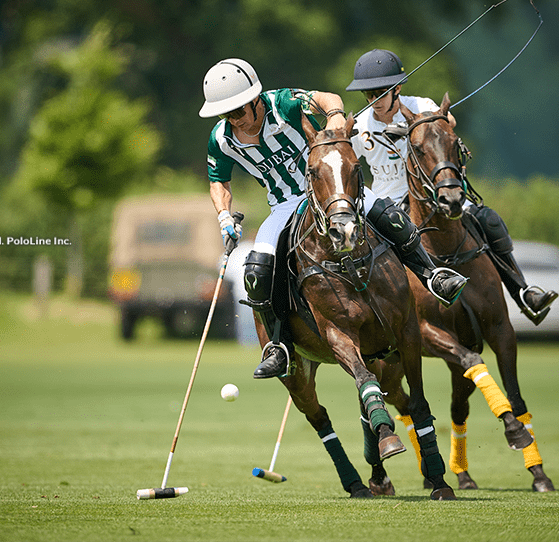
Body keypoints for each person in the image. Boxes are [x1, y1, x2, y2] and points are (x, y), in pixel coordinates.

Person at [199, 58, 469, 379]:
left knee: (390, 216)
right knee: (257, 272)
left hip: (332, 189)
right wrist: (224, 218)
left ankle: (432, 275)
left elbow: (329, 99)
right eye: (226, 114)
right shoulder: (222, 138)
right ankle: (279, 345)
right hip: (284, 205)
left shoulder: (282, 103)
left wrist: (335, 119)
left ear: (256, 100)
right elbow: (218, 180)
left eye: (239, 111)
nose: (235, 120)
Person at [345, 49, 558, 324]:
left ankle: (523, 292)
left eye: (379, 93)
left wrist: (416, 126)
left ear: (397, 89)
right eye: (367, 95)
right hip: (386, 198)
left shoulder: (419, 104)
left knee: (487, 219)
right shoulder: (361, 124)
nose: (373, 101)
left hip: (429, 193)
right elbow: (344, 156)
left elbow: (449, 124)